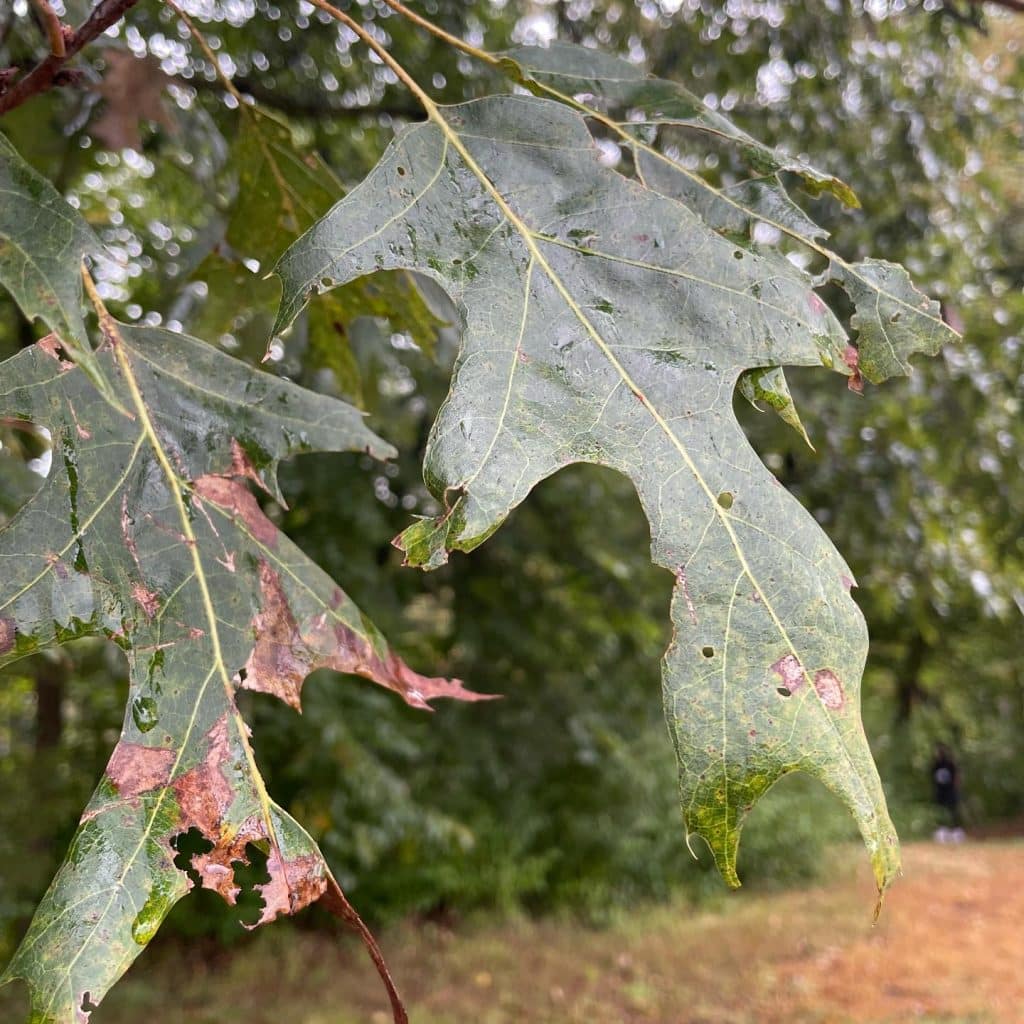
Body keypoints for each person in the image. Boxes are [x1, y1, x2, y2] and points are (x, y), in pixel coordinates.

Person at [931, 743, 964, 843]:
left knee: (953, 810)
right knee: (940, 811)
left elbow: (957, 777)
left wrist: (956, 789)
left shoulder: (950, 764)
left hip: (951, 792)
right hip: (940, 792)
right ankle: (941, 831)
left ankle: (956, 831)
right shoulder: (935, 765)